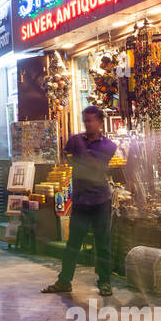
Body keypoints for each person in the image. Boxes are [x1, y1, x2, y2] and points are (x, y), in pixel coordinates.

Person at [44, 106, 117, 296]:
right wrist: (76, 158)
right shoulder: (75, 141)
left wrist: (82, 157)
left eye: (91, 120)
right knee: (73, 244)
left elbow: (96, 168)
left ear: (100, 122)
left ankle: (105, 282)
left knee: (103, 243)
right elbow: (65, 158)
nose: (87, 124)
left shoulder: (109, 146)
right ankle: (64, 281)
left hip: (100, 200)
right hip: (81, 199)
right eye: (85, 120)